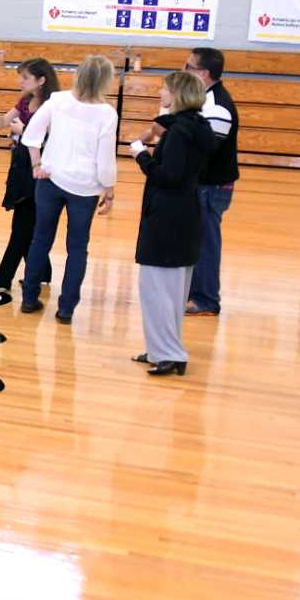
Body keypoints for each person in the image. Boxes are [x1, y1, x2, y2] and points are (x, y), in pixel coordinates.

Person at [20, 54, 120, 322]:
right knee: (77, 248)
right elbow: (105, 159)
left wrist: (36, 164)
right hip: (85, 188)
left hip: (50, 179)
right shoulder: (107, 113)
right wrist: (109, 188)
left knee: (40, 239)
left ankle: (29, 299)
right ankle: (66, 309)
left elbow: (30, 135)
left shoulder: (58, 100)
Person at [129, 71, 215, 377]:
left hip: (167, 216)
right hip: (183, 214)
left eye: (164, 90)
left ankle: (169, 353)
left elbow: (168, 176)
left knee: (157, 288)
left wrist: (141, 155)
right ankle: (162, 349)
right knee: (173, 289)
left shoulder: (179, 133)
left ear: (177, 94)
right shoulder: (194, 125)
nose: (160, 94)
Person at [0, 58, 60, 293]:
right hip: (20, 167)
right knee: (27, 223)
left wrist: (24, 131)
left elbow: (53, 140)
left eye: (25, 77)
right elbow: (2, 123)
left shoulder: (53, 107)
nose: (20, 81)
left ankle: (3, 277)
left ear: (41, 81)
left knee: (22, 225)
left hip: (38, 169)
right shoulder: (24, 101)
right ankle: (42, 272)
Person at [185, 47, 239, 317]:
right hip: (204, 184)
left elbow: (206, 152)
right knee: (197, 238)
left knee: (205, 241)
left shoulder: (216, 106)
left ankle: (206, 299)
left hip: (212, 186)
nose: (184, 71)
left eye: (189, 66)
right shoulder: (204, 99)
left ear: (204, 73)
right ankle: (195, 292)